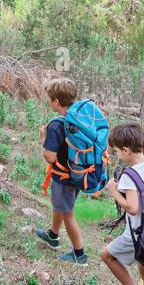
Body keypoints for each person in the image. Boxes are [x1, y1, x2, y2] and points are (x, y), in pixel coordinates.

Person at [100, 122, 144, 285]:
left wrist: (114, 191)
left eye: (116, 152)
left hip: (136, 232)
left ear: (126, 150)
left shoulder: (129, 175)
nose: (117, 156)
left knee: (106, 255)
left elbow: (132, 207)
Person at [35, 77, 88, 263]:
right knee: (60, 206)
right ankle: (53, 235)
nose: (49, 101)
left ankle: (79, 254)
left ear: (56, 102)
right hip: (77, 175)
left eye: (50, 99)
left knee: (68, 214)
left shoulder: (56, 125)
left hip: (63, 178)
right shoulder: (79, 119)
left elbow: (50, 157)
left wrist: (43, 138)